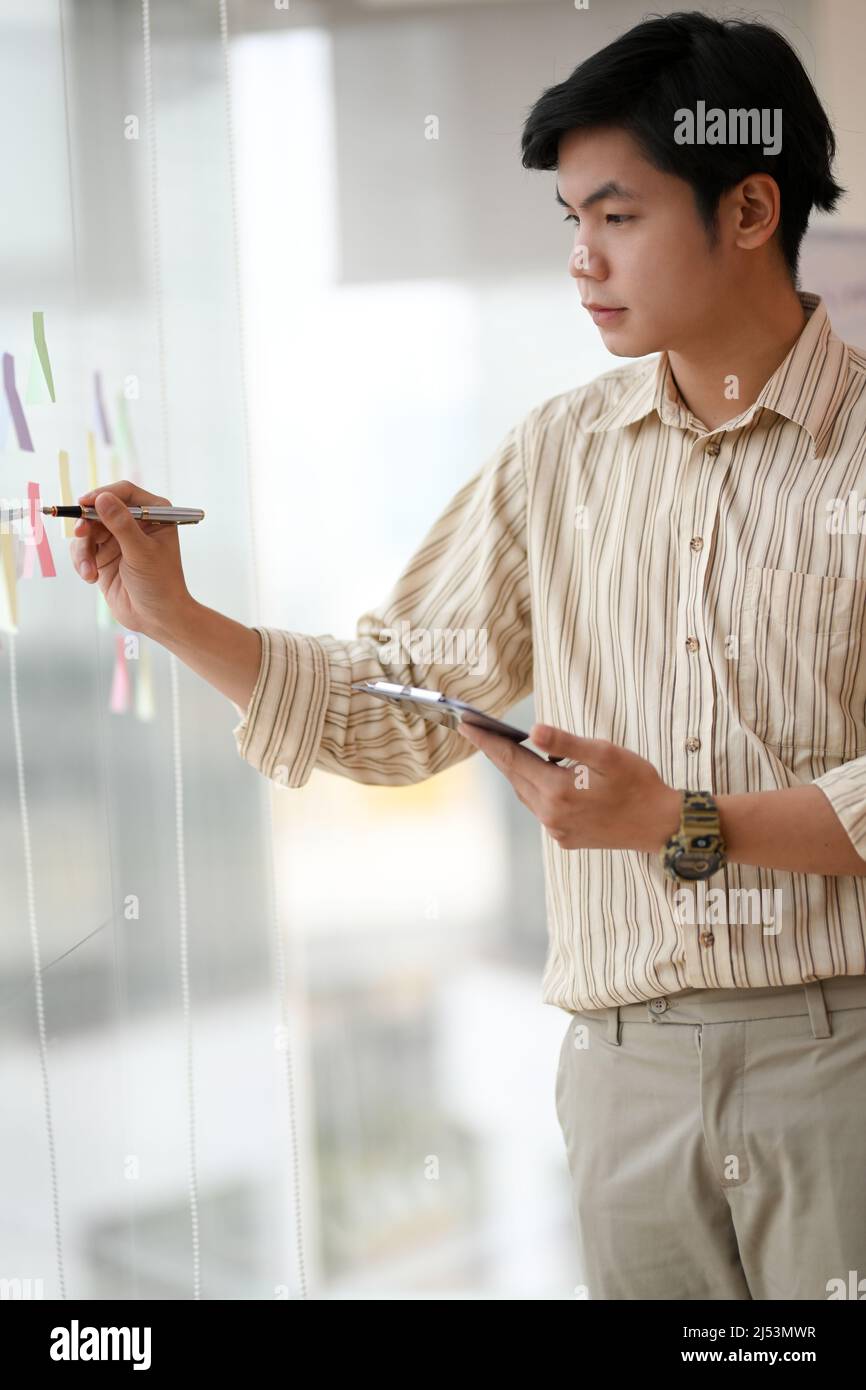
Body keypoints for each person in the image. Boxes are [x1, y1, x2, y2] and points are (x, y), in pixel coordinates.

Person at [70, 11, 866, 1301]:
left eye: (616, 217)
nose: (580, 260)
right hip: (623, 1077)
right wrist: (174, 615)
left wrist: (682, 820)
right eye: (570, 222)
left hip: (842, 1059)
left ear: (751, 208)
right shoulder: (556, 455)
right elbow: (403, 703)